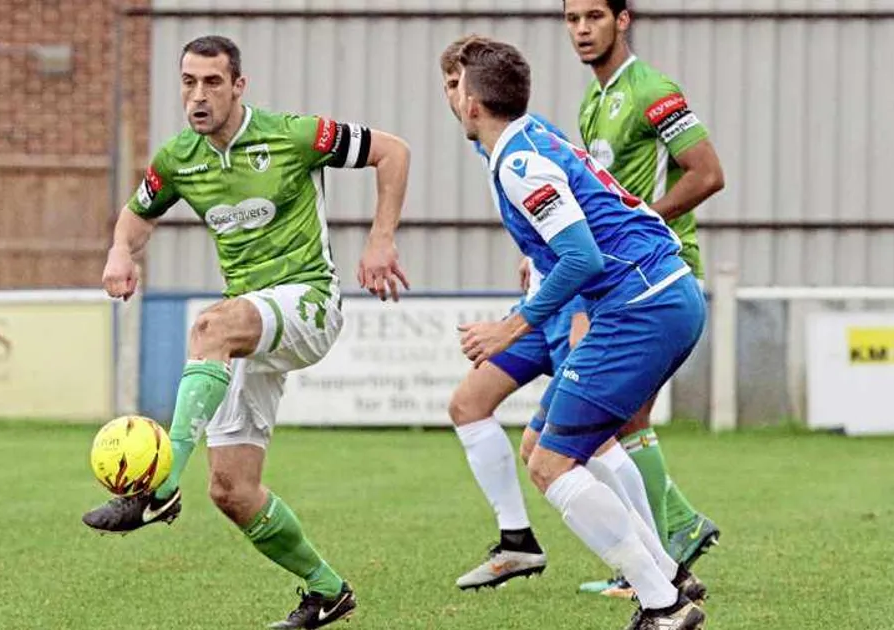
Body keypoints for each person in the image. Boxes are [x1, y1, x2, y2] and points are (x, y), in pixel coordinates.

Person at [81, 35, 412, 630]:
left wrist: (381, 238)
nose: (198, 95)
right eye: (188, 82)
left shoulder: (294, 134)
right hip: (250, 327)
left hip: (309, 302)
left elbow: (393, 151)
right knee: (232, 490)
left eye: (212, 82)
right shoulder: (180, 158)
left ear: (239, 86)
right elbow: (137, 213)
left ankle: (156, 487)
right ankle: (326, 590)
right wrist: (119, 253)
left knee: (209, 324)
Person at [452, 38, 707, 629]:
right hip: (661, 296)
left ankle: (662, 606)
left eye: (456, 86)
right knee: (542, 444)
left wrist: (509, 327)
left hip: (641, 306)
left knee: (550, 465)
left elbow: (582, 259)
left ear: (470, 103)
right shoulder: (528, 136)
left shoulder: (521, 163)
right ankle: (666, 576)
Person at [563, 0, 726, 596]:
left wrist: (644, 221)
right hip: (619, 275)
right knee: (623, 416)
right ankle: (668, 537)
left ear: (623, 19)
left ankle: (667, 544)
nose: (582, 29)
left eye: (594, 17)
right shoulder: (590, 102)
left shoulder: (653, 89)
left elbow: (706, 173)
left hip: (658, 271)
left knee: (611, 415)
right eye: (573, 18)